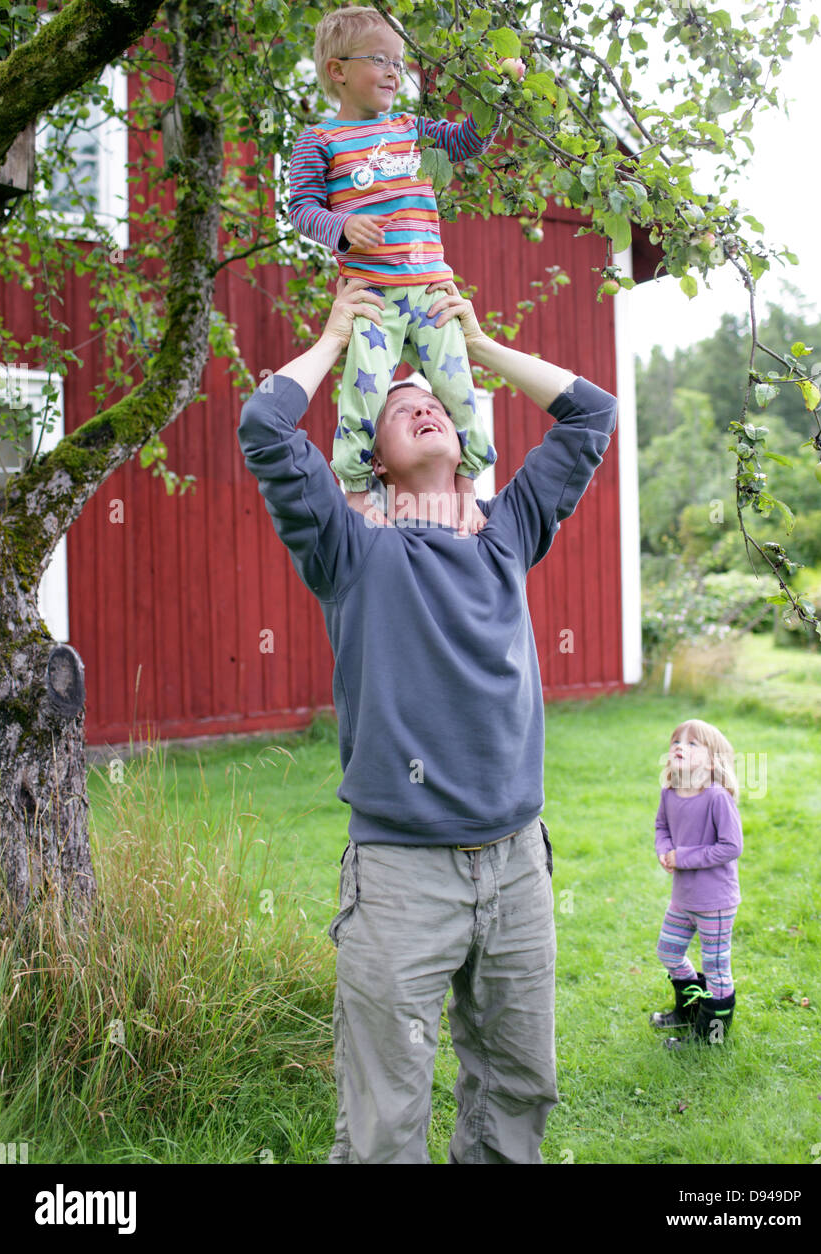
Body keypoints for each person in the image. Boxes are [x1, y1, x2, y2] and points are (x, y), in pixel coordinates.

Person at [236, 278, 617, 1162]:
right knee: (385, 1121)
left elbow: (589, 415)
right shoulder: (352, 548)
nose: (425, 404)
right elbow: (266, 428)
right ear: (372, 449)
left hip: (519, 863)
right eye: (401, 402)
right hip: (404, 877)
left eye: (438, 399)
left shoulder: (508, 533)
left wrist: (476, 351)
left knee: (517, 1095)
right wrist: (336, 339)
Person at [287, 5, 507, 533]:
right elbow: (300, 210)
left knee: (457, 388)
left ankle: (467, 486)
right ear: (338, 70)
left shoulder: (411, 129)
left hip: (431, 290)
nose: (394, 72)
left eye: (400, 63)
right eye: (380, 60)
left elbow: (468, 141)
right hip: (374, 296)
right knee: (362, 394)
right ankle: (358, 488)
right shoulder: (319, 141)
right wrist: (340, 226)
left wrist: (494, 97)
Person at [651, 718, 743, 1050]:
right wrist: (664, 850)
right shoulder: (670, 792)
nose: (680, 746)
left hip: (715, 900)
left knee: (717, 968)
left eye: (692, 744)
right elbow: (662, 828)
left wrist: (683, 856)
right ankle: (689, 1011)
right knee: (669, 951)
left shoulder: (717, 797)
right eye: (677, 741)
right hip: (683, 897)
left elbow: (731, 846)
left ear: (711, 759)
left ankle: (710, 1037)